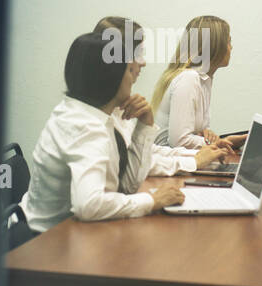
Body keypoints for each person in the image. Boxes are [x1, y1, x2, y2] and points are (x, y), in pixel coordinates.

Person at [20, 32, 184, 233]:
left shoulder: (88, 113)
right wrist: (151, 200)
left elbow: (126, 186)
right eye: (128, 69)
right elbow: (89, 206)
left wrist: (145, 126)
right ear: (109, 77)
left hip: (69, 233)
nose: (133, 76)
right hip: (45, 241)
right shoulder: (83, 126)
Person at [94, 17, 229, 175]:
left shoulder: (115, 110)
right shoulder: (189, 78)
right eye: (138, 54)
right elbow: (173, 145)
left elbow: (146, 156)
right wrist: (198, 158)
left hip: (164, 164)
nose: (143, 63)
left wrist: (207, 150)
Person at [151, 15, 246, 151]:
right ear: (215, 47)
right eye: (228, 42)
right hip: (166, 166)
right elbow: (179, 141)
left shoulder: (204, 79)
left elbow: (190, 135)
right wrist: (218, 143)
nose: (231, 47)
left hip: (176, 161)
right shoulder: (189, 79)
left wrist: (209, 137)